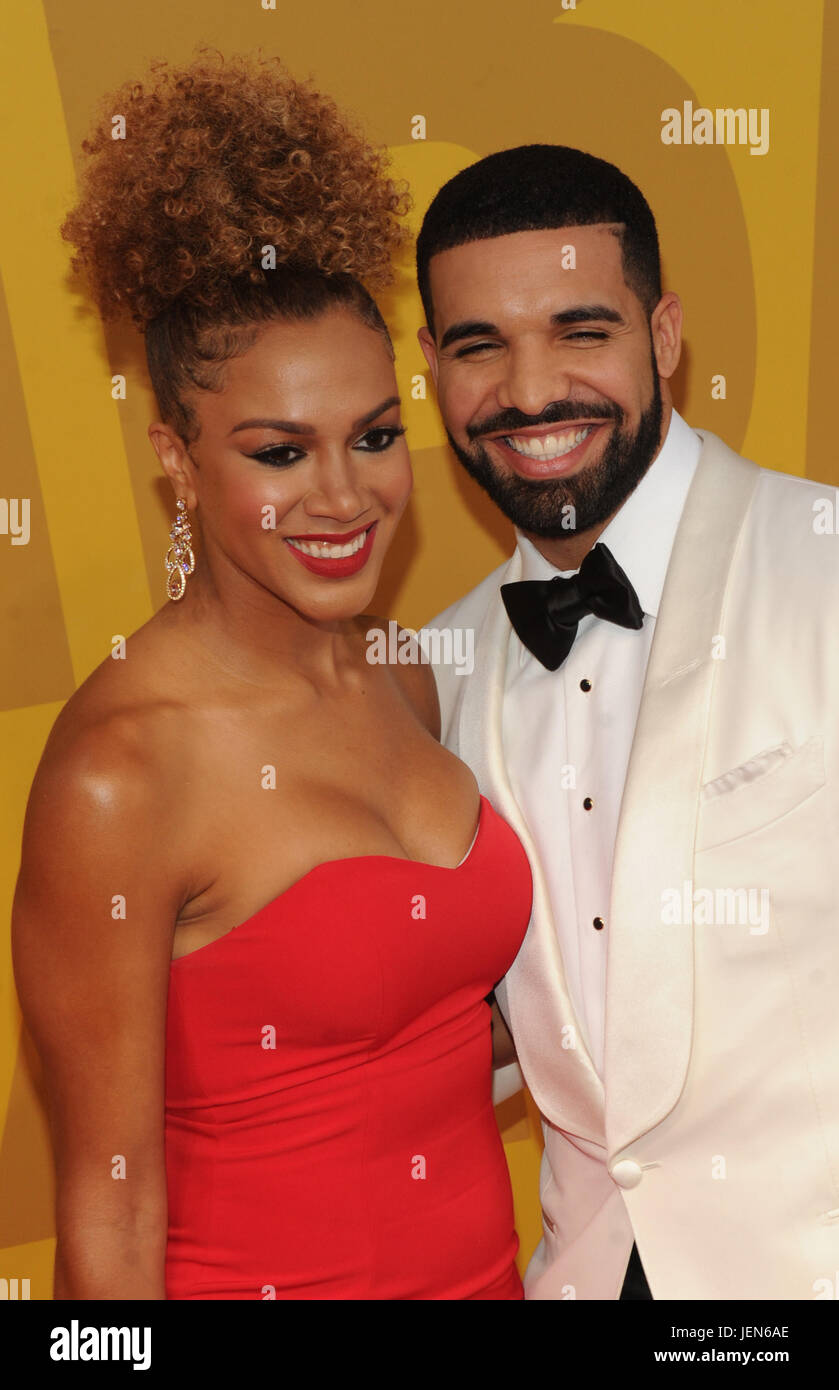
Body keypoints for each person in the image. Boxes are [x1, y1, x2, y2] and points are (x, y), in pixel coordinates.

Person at [10, 53, 532, 1301]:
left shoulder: (402, 676)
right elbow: (108, 1221)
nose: (345, 497)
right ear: (176, 460)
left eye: (371, 435)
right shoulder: (120, 774)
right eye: (277, 452)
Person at [417, 143, 839, 1300]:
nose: (531, 388)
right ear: (429, 370)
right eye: (478, 346)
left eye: (579, 330)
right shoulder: (426, 680)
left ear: (662, 337)